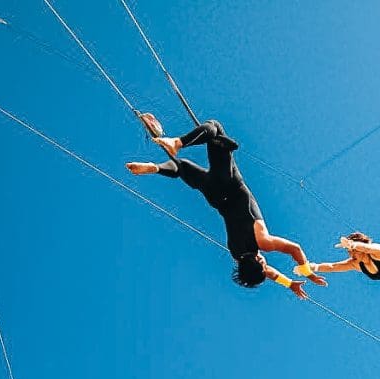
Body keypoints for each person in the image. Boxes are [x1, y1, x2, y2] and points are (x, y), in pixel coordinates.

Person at [126, 116, 326, 299]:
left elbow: (294, 248)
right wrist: (289, 284)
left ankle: (177, 142)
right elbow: (267, 272)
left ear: (259, 261)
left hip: (229, 185)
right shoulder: (236, 253)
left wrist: (306, 270)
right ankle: (156, 167)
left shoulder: (263, 242)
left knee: (215, 129)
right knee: (183, 168)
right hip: (214, 196)